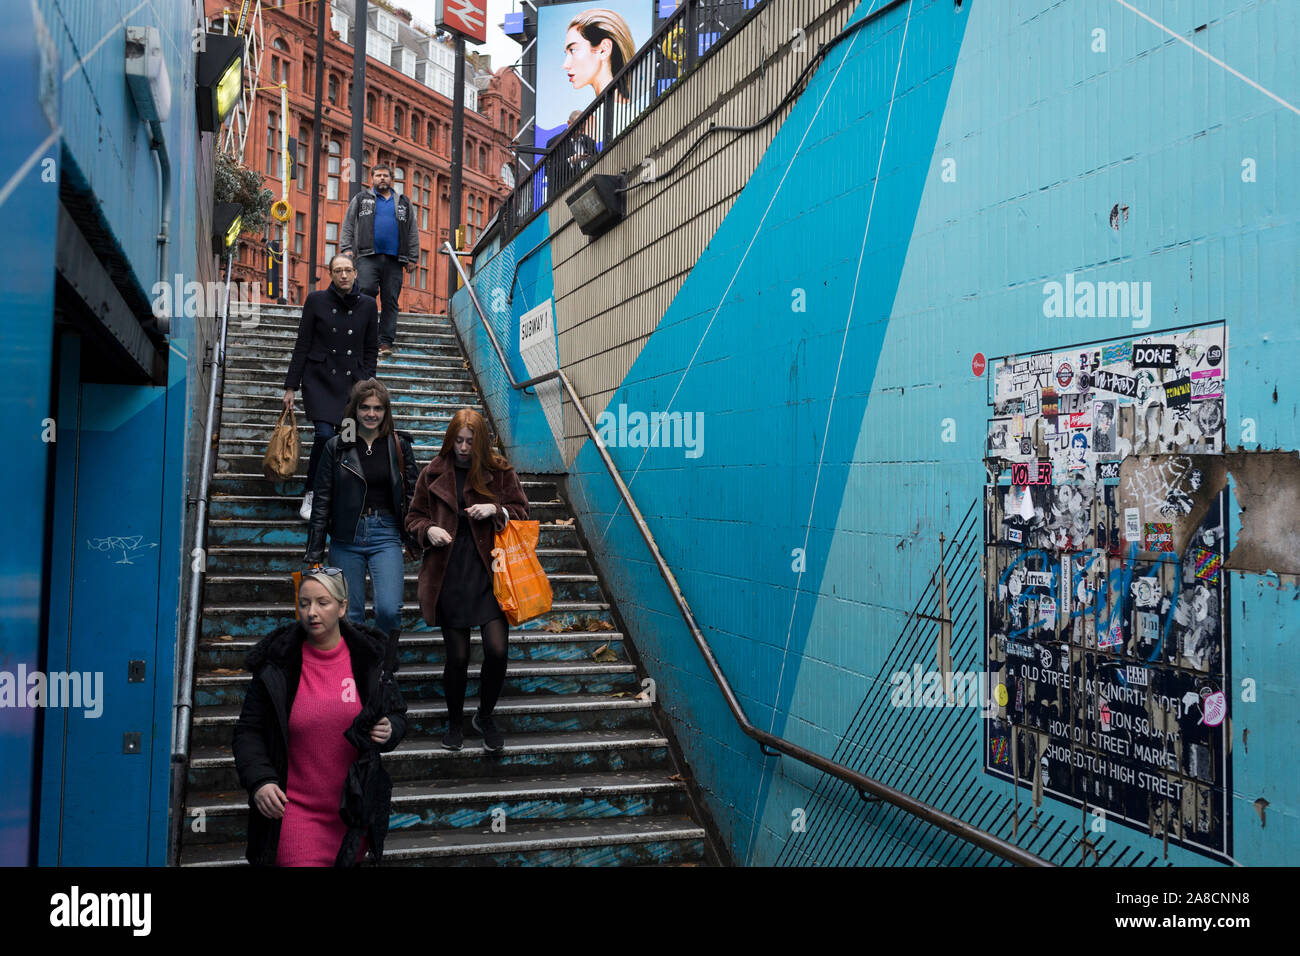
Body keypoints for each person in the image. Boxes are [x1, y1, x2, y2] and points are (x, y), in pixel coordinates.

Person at [232, 568, 407, 866]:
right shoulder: (278, 663)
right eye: (304, 603)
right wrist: (261, 781)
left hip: (350, 814)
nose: (311, 612)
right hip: (293, 812)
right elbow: (248, 731)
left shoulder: (368, 660)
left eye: (322, 603)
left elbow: (397, 714)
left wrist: (390, 729)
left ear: (342, 607)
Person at [405, 409, 529, 752]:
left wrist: (497, 511)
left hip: (491, 572)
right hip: (448, 573)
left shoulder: (499, 471)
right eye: (458, 441)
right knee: (457, 657)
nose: (462, 448)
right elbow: (413, 517)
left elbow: (522, 511)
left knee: (497, 649)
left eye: (469, 443)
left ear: (481, 444)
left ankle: (484, 716)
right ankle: (455, 721)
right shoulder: (432, 473)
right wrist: (428, 530)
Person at [305, 378, 419, 673]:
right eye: (365, 407)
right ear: (354, 409)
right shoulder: (337, 446)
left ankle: (385, 666)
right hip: (346, 536)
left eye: (378, 408)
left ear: (386, 410)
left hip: (386, 533)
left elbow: (412, 494)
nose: (371, 413)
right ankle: (359, 671)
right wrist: (314, 552)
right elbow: (322, 501)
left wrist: (413, 537)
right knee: (350, 614)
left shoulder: (398, 445)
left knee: (389, 609)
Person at [283, 254, 378, 521]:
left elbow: (371, 349)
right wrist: (291, 387)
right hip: (320, 380)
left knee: (346, 441)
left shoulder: (368, 306)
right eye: (338, 271)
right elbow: (302, 343)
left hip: (351, 385)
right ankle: (312, 491)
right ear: (331, 274)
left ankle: (337, 494)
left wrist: (368, 381)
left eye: (348, 270)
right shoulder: (316, 301)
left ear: (356, 273)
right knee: (325, 435)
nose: (344, 275)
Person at [340, 164, 419, 359]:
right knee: (365, 294)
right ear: (372, 178)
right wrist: (346, 249)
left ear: (391, 179)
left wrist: (413, 256)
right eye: (378, 175)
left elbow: (412, 231)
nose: (382, 178)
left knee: (390, 300)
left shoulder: (403, 203)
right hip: (367, 256)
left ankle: (385, 342)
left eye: (385, 176)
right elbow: (348, 224)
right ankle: (364, 336)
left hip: (394, 259)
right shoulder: (361, 199)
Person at [563, 9, 636, 101]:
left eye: (573, 50)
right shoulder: (600, 112)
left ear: (604, 49)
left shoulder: (627, 112)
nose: (565, 65)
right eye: (566, 54)